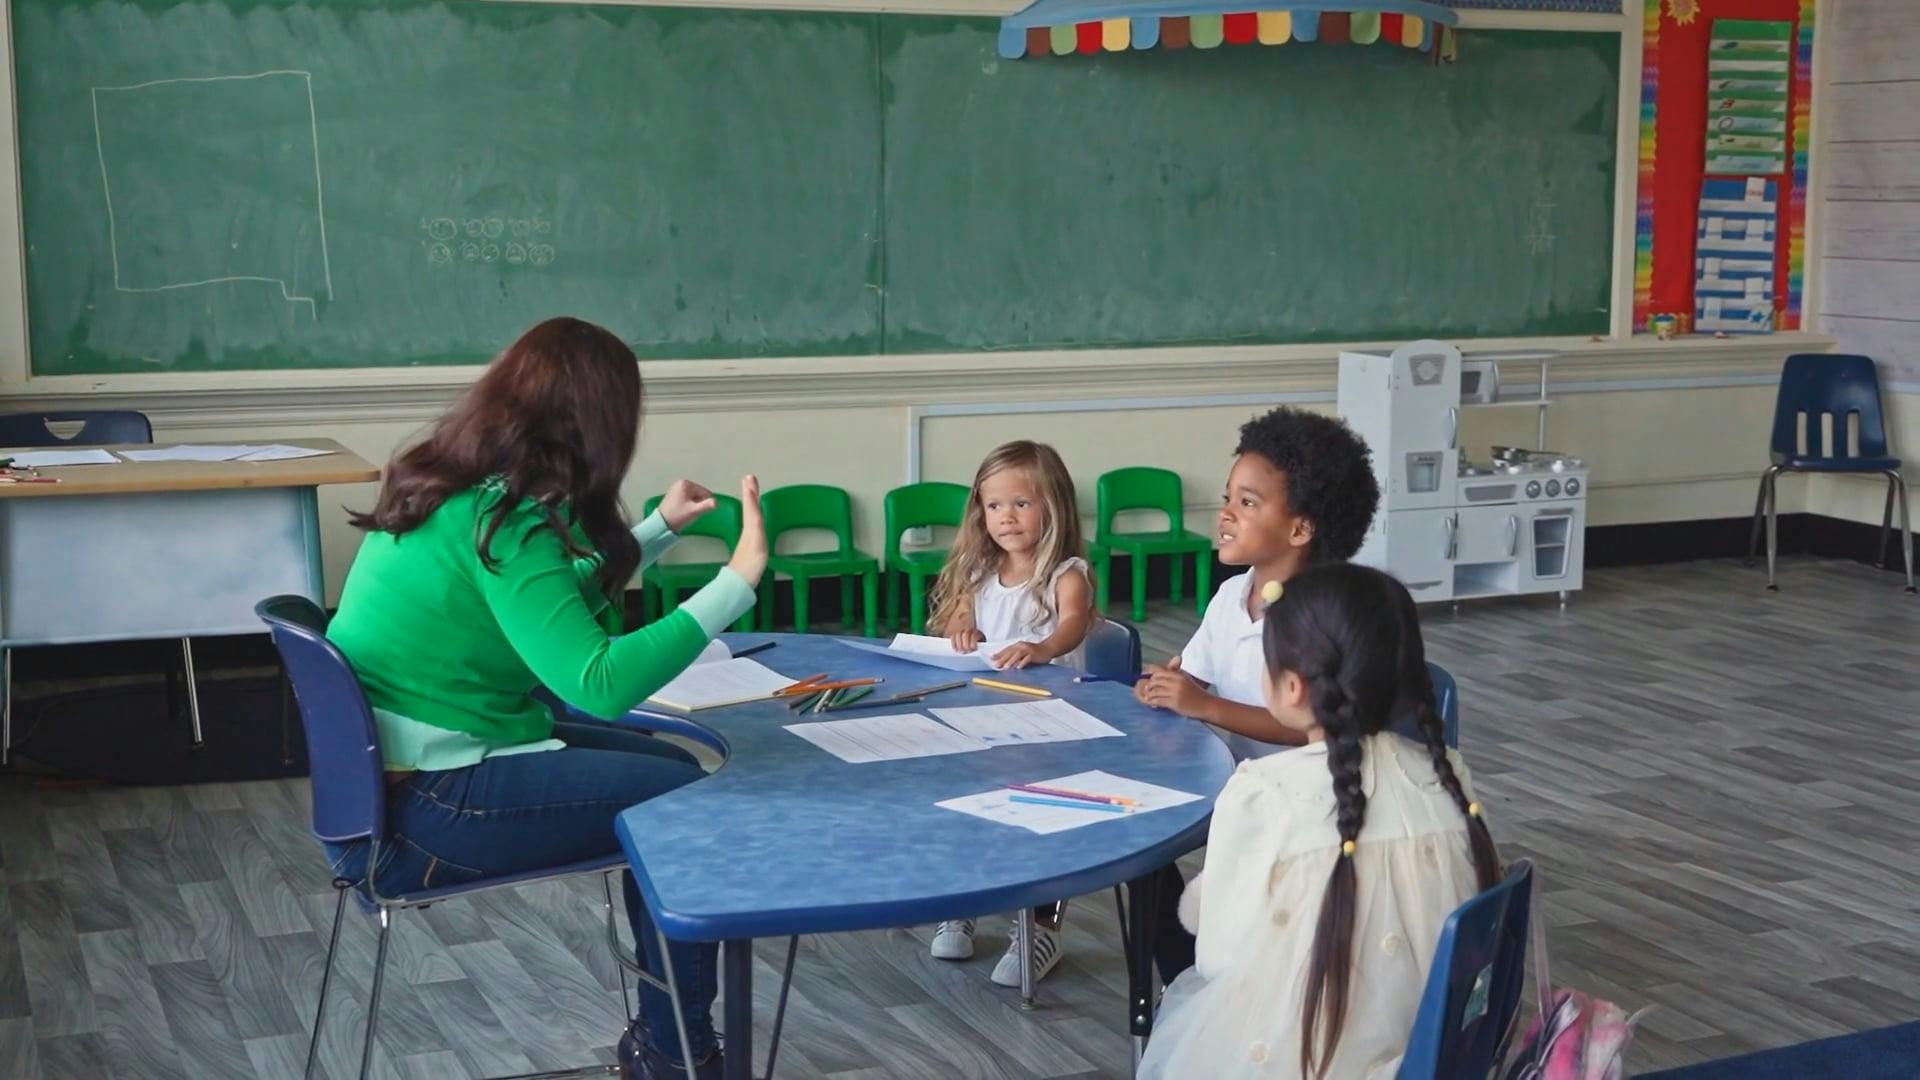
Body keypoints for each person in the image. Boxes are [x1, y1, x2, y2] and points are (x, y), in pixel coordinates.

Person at [323, 316, 763, 1080]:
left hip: (391, 784)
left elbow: (538, 607)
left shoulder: (454, 490)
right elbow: (597, 681)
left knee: (666, 769)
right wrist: (736, 583)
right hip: (425, 809)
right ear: (597, 423)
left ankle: (667, 1043)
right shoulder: (508, 521)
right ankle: (677, 1055)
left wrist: (654, 532)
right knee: (688, 803)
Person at [1137, 564, 1500, 1079]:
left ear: (1290, 686)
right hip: (1440, 1049)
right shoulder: (1450, 775)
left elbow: (1218, 955)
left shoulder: (1265, 792)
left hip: (1303, 1057)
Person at [925, 440, 1093, 985]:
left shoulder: (1066, 572)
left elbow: (1073, 624)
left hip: (1054, 725)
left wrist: (1042, 647)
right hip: (986, 721)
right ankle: (966, 902)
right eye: (994, 506)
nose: (1006, 517)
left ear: (1054, 507)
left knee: (1041, 823)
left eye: (1022, 503)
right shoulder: (979, 571)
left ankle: (1041, 927)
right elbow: (958, 618)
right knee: (971, 809)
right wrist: (961, 629)